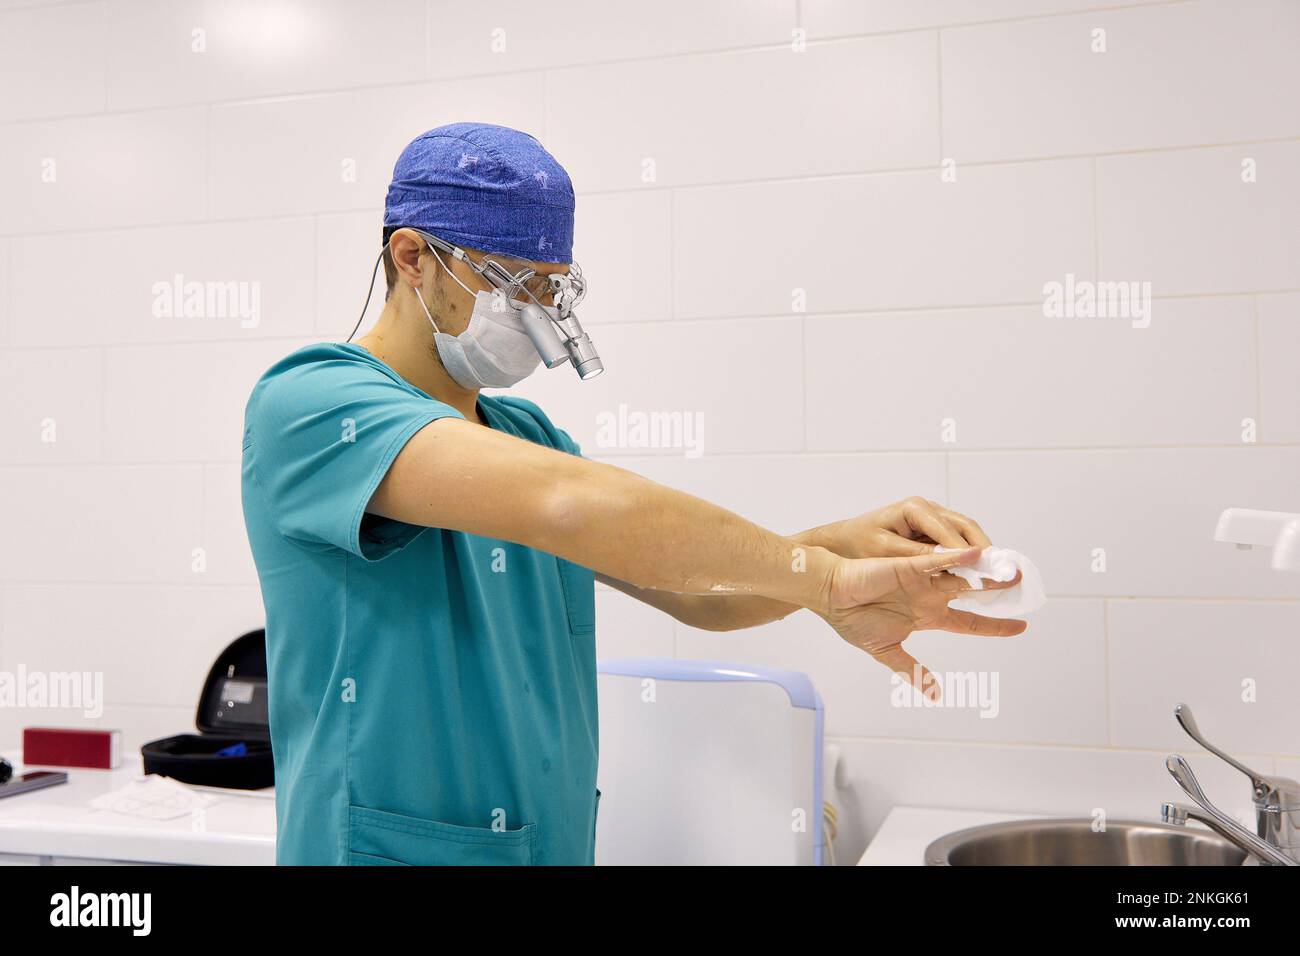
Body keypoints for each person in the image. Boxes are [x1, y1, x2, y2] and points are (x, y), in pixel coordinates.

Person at [240, 122, 1026, 865]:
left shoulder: (529, 434)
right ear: (411, 257)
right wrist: (818, 576)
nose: (537, 315)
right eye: (513, 284)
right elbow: (576, 506)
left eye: (551, 290)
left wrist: (836, 553)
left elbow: (700, 596)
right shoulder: (314, 407)